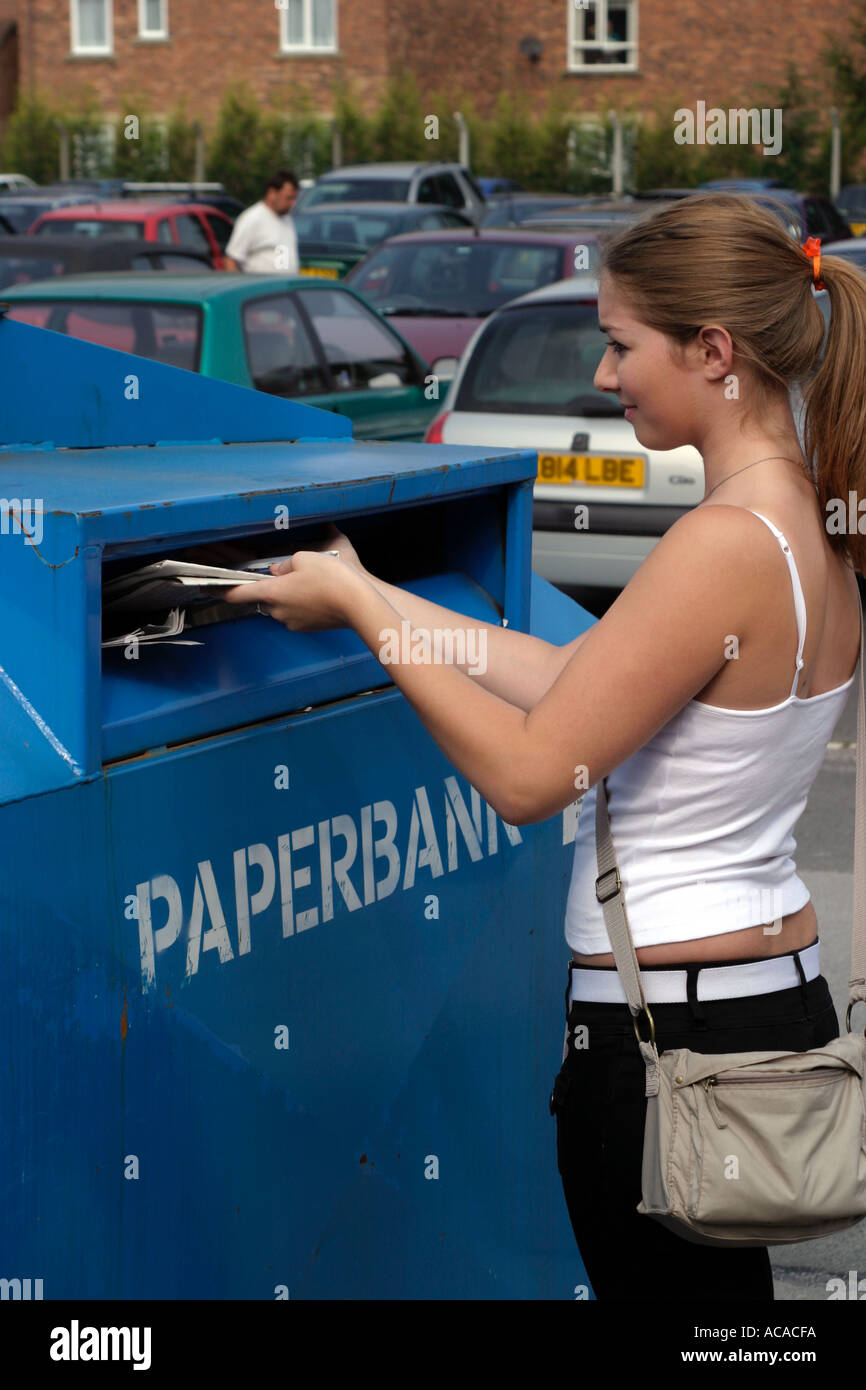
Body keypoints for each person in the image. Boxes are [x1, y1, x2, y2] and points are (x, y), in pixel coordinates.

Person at [223, 194, 866, 1301]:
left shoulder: (719, 544)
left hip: (668, 1040)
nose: (605, 377)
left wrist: (369, 620)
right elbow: (585, 684)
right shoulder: (806, 517)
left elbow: (531, 773)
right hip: (758, 1005)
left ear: (712, 351)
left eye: (621, 345)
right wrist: (377, 592)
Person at [223, 169, 299, 273]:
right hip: (263, 288)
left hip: (286, 287)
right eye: (288, 198)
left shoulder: (287, 219)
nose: (292, 204)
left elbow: (282, 258)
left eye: (294, 199)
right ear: (272, 193)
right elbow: (231, 259)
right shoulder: (252, 218)